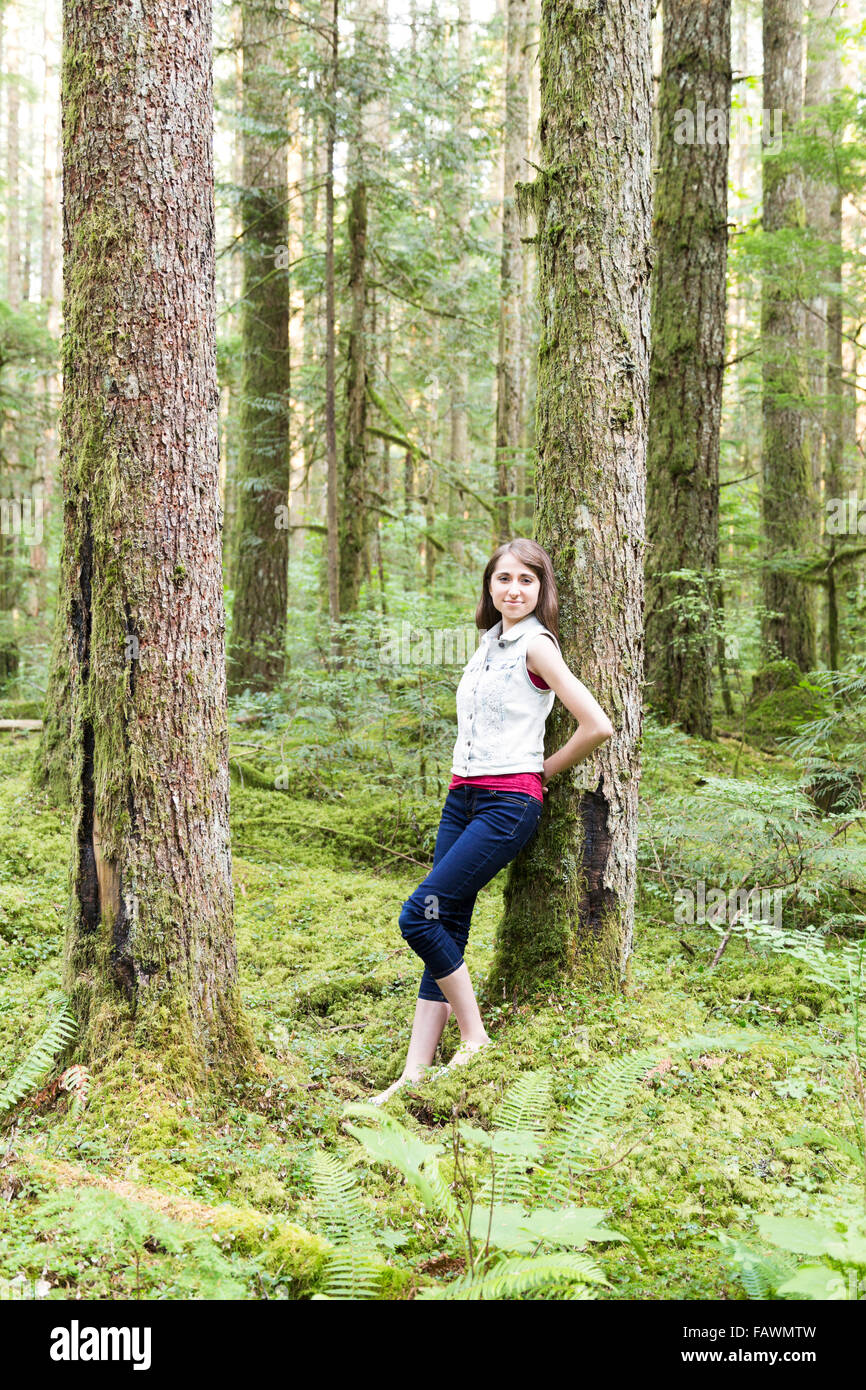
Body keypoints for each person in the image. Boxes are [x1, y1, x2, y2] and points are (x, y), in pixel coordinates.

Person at [371, 537, 614, 1105]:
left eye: (527, 580)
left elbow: (596, 724)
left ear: (541, 590)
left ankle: (474, 1036)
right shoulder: (485, 646)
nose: (514, 589)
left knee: (416, 915)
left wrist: (540, 774)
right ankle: (414, 1072)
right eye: (504, 578)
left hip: (508, 803)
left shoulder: (537, 647)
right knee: (443, 923)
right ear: (489, 585)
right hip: (461, 798)